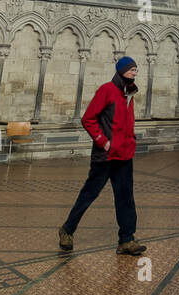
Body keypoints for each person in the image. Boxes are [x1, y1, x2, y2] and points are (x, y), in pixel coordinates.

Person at [58, 58, 147, 255]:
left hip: (124, 155)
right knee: (89, 194)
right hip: (105, 156)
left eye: (136, 70)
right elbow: (88, 119)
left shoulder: (129, 93)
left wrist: (130, 141)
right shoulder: (107, 90)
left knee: (126, 198)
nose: (135, 73)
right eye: (132, 70)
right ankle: (67, 230)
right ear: (122, 70)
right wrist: (103, 142)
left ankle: (126, 240)